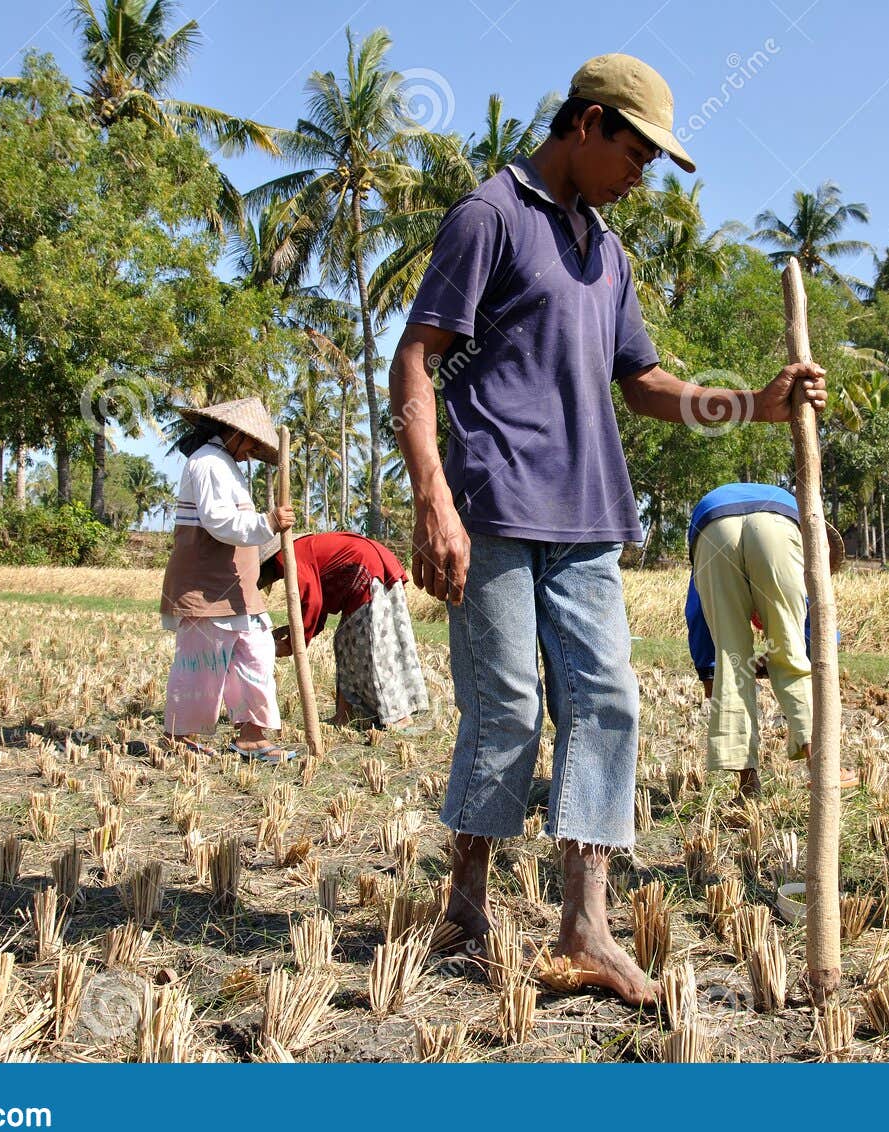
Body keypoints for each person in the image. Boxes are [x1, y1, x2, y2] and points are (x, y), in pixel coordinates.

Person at [390, 53, 826, 1006]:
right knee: (504, 711)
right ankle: (464, 899)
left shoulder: (606, 252)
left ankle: (584, 924)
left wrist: (753, 404)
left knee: (609, 705)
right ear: (586, 125)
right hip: (494, 508)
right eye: (635, 154)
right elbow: (416, 359)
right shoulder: (490, 217)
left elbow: (645, 385)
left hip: (589, 516)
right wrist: (432, 496)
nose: (642, 178)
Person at [685, 482, 853, 797]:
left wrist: (711, 670)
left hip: (713, 526)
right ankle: (820, 766)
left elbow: (697, 613)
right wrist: (797, 655)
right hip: (778, 527)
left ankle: (748, 785)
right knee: (791, 650)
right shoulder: (800, 550)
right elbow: (813, 626)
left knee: (732, 663)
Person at [160, 397, 295, 764]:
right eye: (250, 442)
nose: (252, 451)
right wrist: (268, 523)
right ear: (234, 433)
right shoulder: (207, 463)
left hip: (235, 585)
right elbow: (219, 522)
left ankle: (251, 735)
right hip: (206, 584)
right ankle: (178, 736)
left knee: (258, 652)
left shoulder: (226, 466)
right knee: (201, 662)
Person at [256, 531, 429, 729]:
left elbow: (312, 602)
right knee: (344, 644)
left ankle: (398, 716)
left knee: (373, 650)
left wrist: (292, 644)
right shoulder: (296, 551)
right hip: (366, 573)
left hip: (370, 573)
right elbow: (317, 600)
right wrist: (293, 630)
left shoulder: (286, 556)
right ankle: (344, 714)